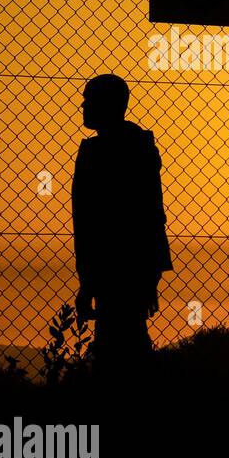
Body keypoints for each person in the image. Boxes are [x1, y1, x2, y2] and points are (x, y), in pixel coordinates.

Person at [72, 74, 172, 381]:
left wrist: (88, 280)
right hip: (131, 268)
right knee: (128, 344)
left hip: (115, 268)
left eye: (89, 100)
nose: (84, 105)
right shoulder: (138, 147)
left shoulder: (101, 154)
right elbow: (153, 215)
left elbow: (93, 223)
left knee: (116, 352)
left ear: (109, 104)